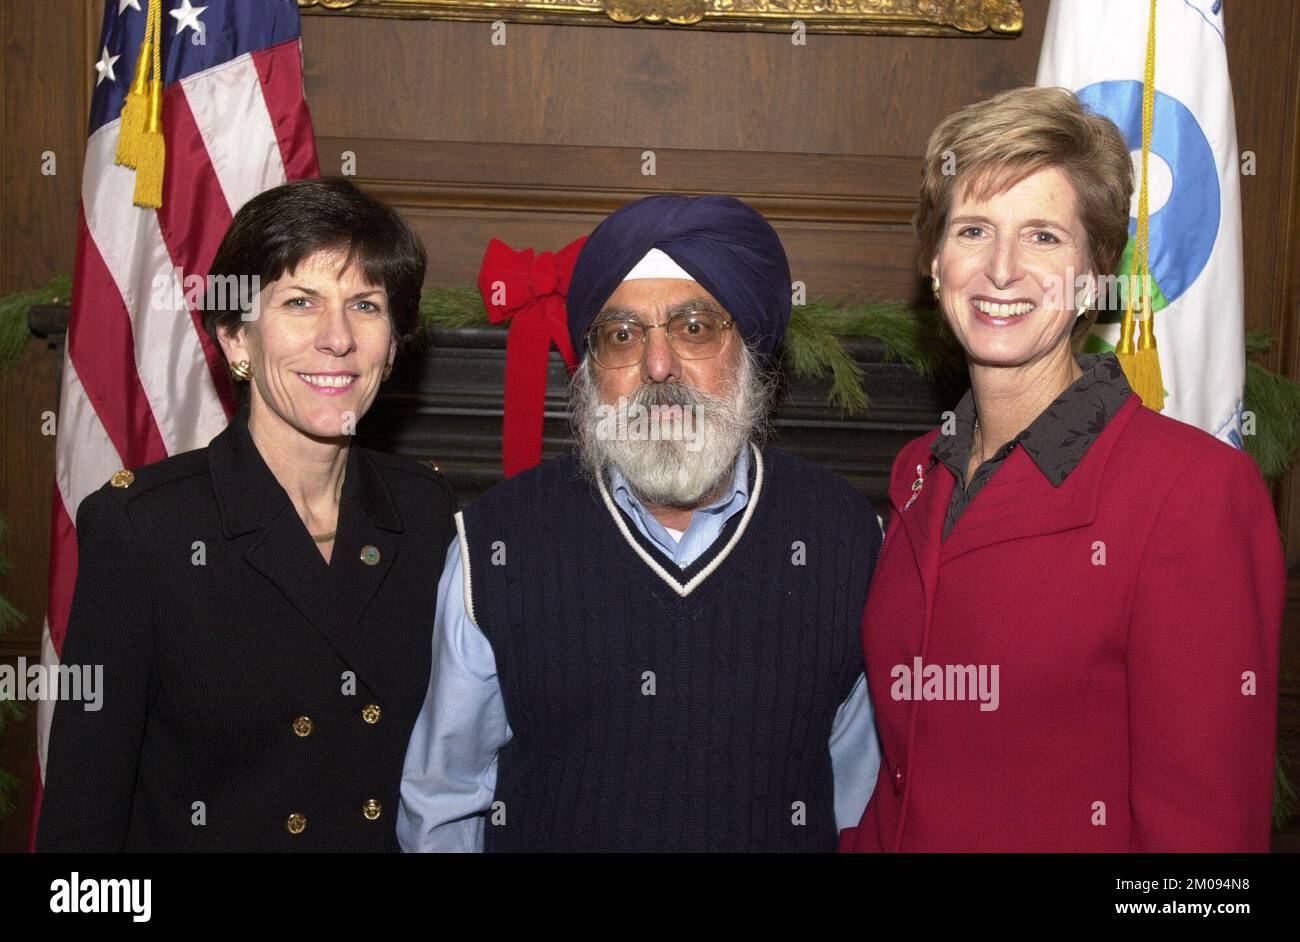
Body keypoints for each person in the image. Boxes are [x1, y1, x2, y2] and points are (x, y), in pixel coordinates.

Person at [839, 87, 1285, 853]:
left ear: (1093, 273)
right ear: (935, 260)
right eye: (973, 229)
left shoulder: (1193, 493)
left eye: (1044, 236)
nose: (1003, 269)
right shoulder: (922, 470)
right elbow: (908, 776)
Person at [398, 194, 882, 852]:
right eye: (622, 335)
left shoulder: (847, 543)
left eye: (693, 328)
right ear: (593, 368)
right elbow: (445, 800)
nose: (659, 367)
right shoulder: (496, 547)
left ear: (749, 350)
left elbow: (860, 802)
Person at [37, 177, 455, 851]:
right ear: (236, 340)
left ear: (394, 346)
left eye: (366, 306)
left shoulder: (424, 511)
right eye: (300, 302)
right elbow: (82, 823)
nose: (338, 339)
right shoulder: (145, 529)